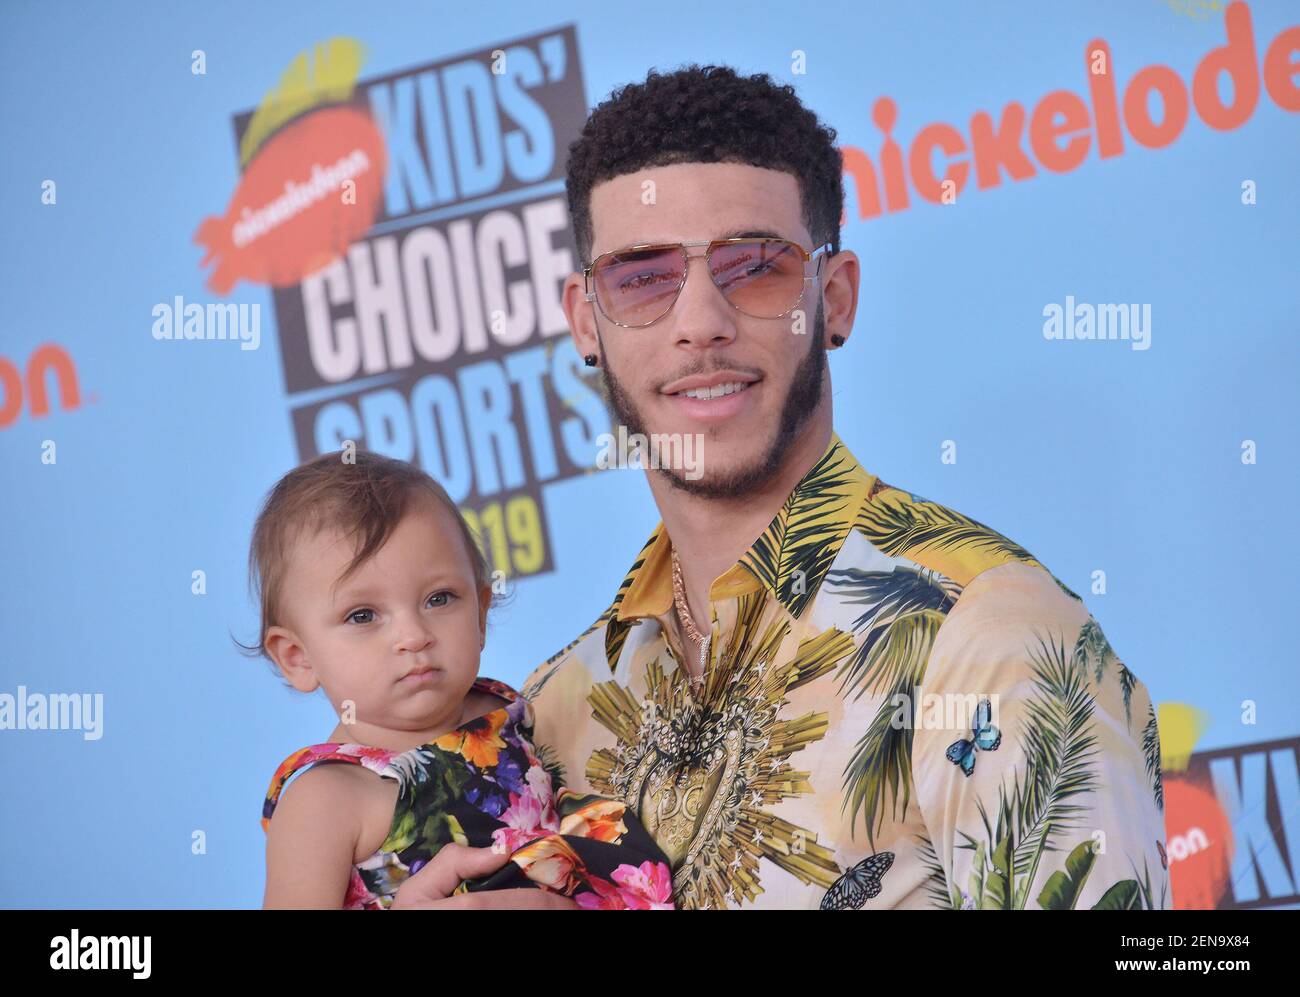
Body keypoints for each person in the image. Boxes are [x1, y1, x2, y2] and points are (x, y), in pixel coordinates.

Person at [398, 63, 1170, 910]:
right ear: (588, 321)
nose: (699, 322)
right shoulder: (557, 710)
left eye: (755, 266)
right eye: (643, 277)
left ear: (833, 299)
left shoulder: (984, 633)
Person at [247, 449, 674, 909]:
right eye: (363, 615)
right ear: (298, 658)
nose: (413, 636)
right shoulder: (324, 802)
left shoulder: (509, 710)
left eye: (439, 598)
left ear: (481, 612)